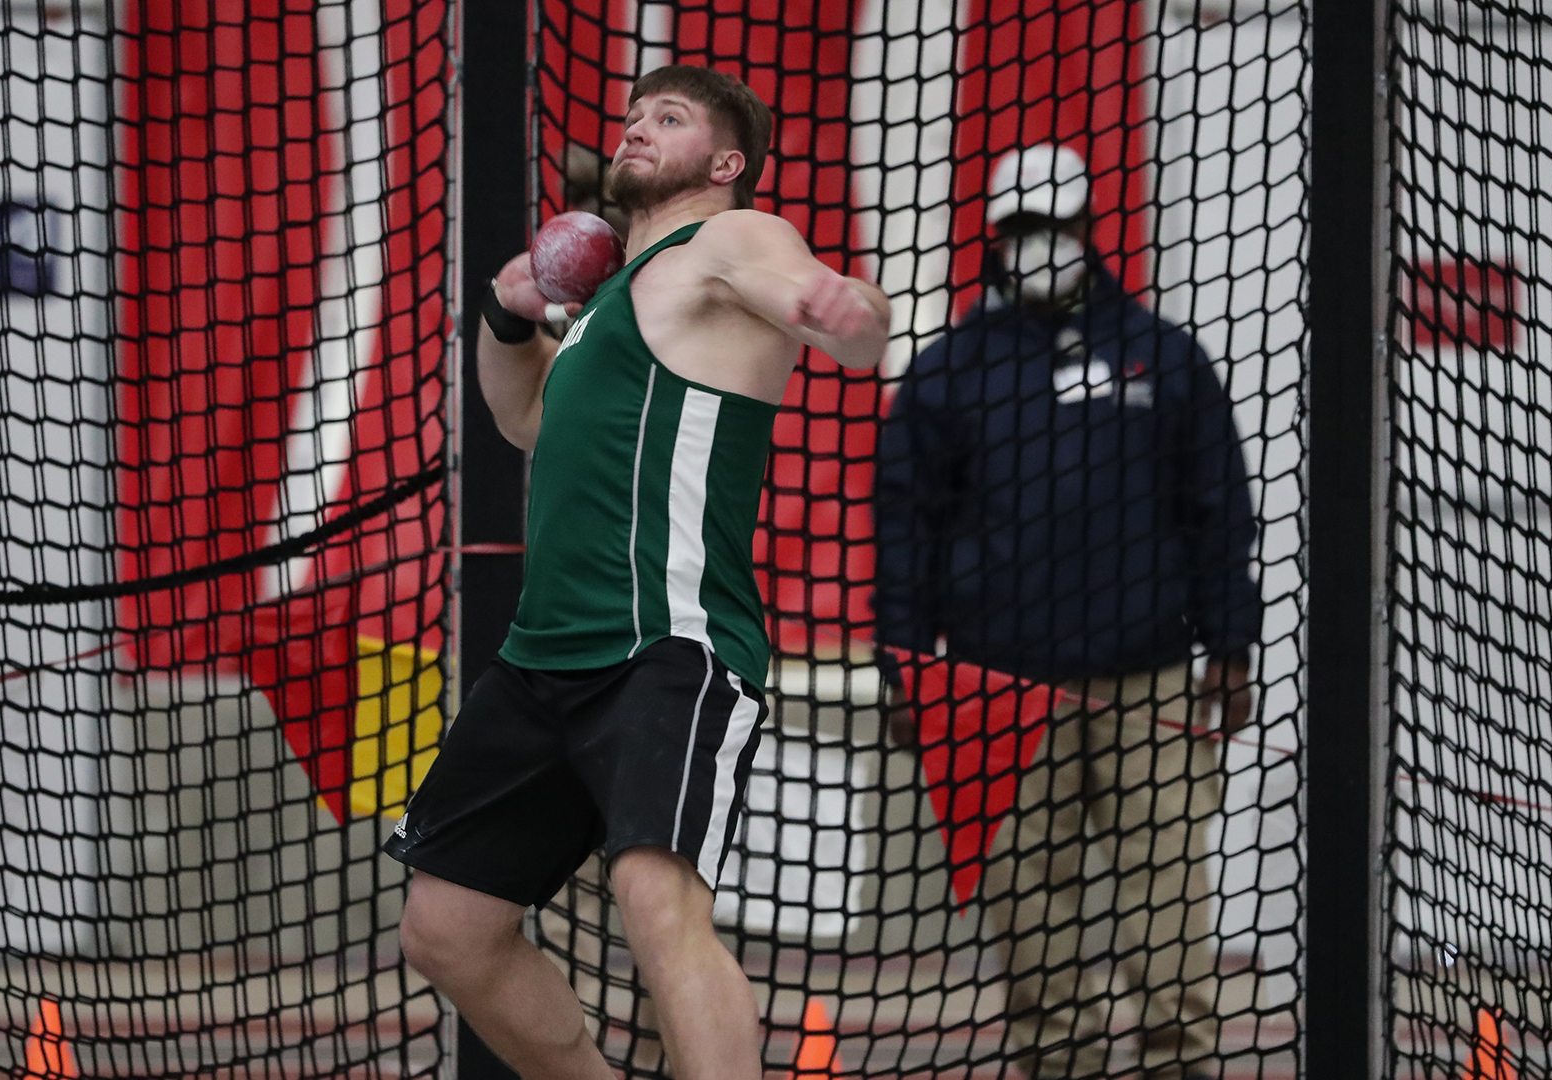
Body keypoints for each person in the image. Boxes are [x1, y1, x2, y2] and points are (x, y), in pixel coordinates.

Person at [384, 64, 889, 1080]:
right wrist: (507, 313)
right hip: (544, 658)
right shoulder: (612, 298)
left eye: (669, 118)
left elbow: (838, 320)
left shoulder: (730, 239)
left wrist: (843, 309)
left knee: (658, 903)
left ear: (727, 161)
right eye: (631, 118)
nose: (635, 131)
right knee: (446, 928)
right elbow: (519, 418)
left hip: (667, 643)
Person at [874, 143, 1261, 1080]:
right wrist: (902, 670)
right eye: (1022, 230)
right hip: (997, 686)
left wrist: (1232, 646)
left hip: (1151, 675)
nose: (1041, 245)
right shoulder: (949, 371)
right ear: (996, 240)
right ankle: (1063, 1064)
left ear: (1091, 228)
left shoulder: (1164, 356)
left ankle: (1180, 1063)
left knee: (1165, 888)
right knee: (1023, 895)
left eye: (1057, 226)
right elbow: (904, 532)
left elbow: (1217, 508)